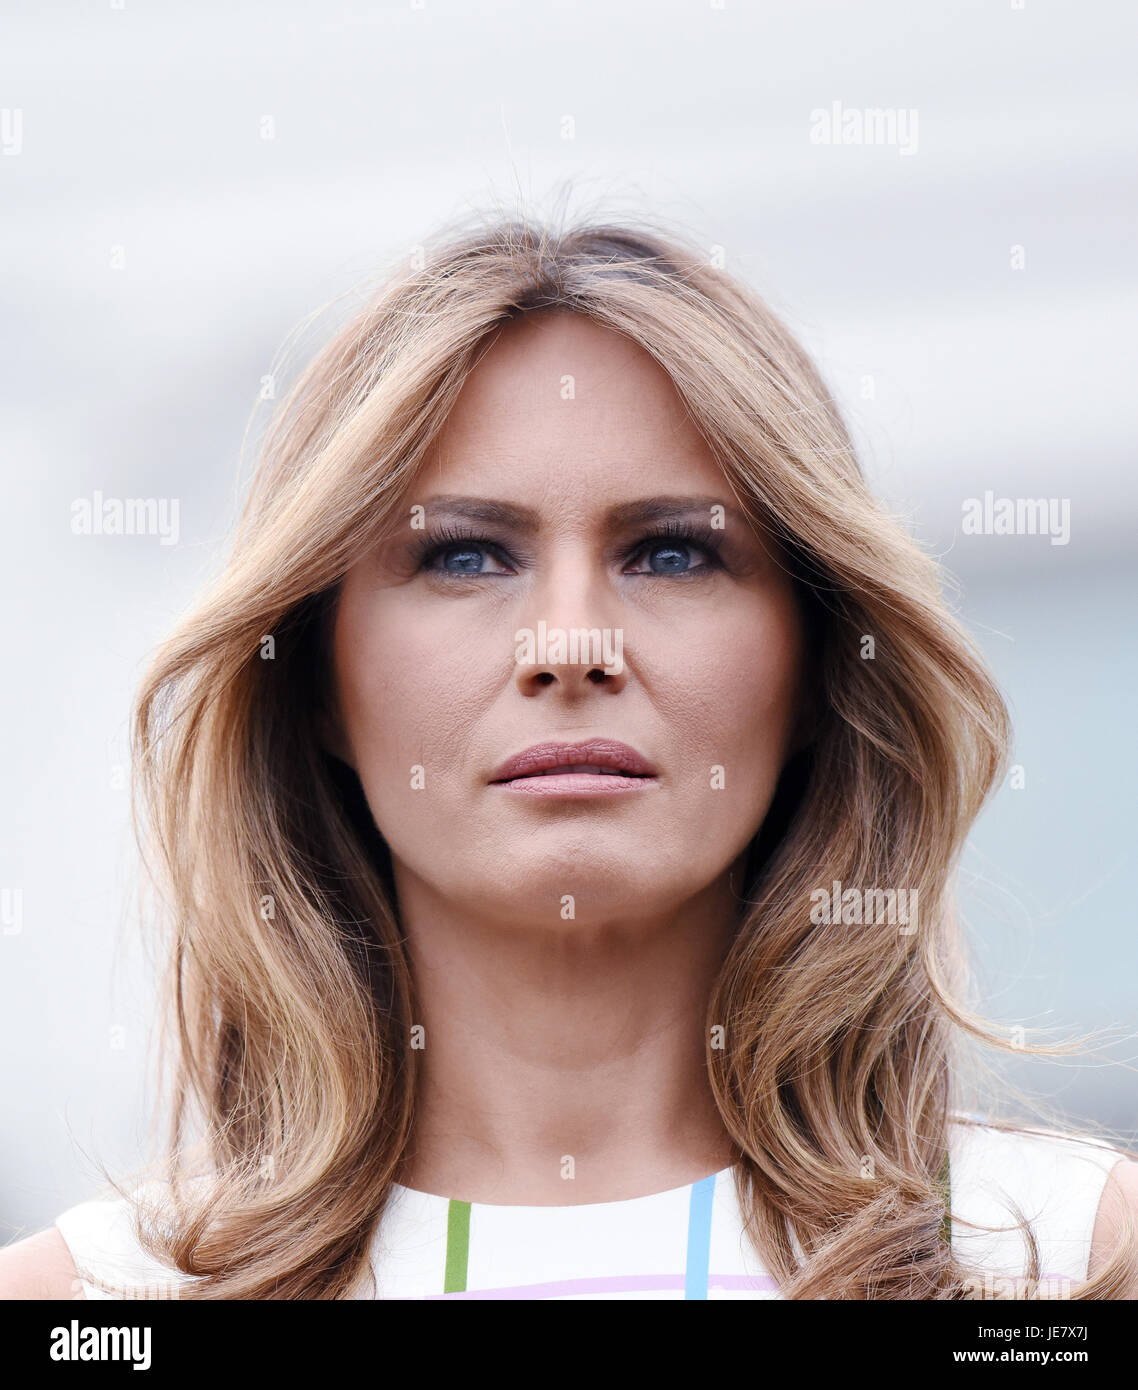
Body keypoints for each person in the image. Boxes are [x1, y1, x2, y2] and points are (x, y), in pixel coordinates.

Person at [3, 216, 1136, 1299]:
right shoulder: (98, 1300)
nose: (570, 645)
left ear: (815, 669)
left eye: (673, 552)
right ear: (312, 681)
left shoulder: (1061, 1261)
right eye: (463, 556)